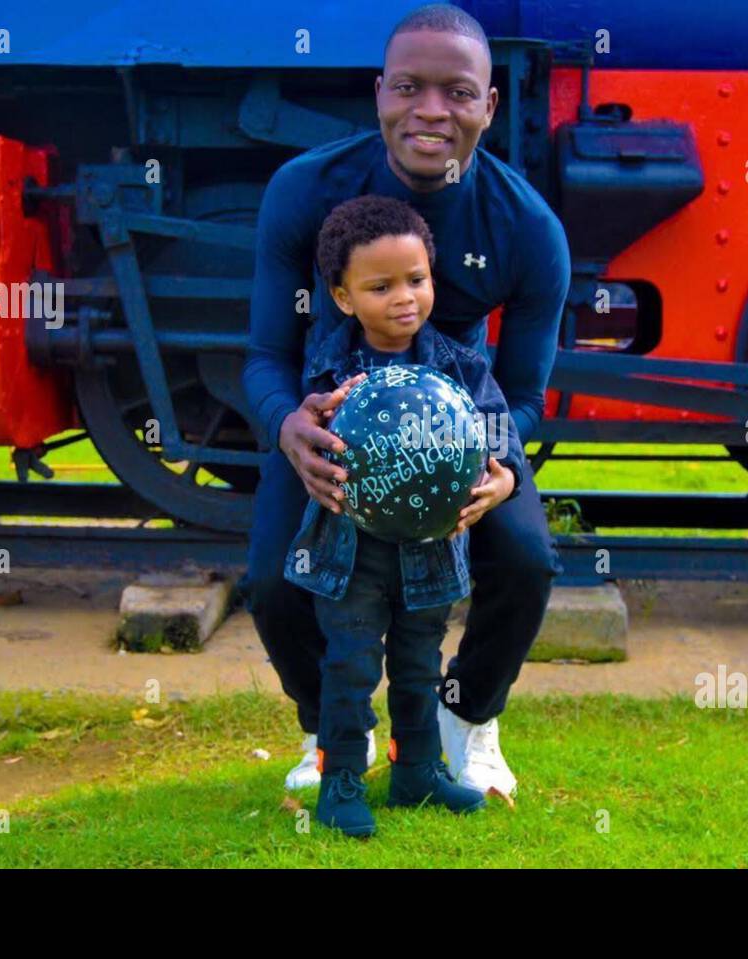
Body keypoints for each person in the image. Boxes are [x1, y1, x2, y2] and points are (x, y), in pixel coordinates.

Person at [242, 3, 570, 797]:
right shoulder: (302, 191)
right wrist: (290, 426)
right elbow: (262, 357)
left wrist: (500, 467)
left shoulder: (528, 229)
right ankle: (332, 733)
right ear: (378, 92)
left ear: (490, 106)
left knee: (528, 560)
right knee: (272, 580)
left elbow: (524, 395)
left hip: (469, 434)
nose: (431, 111)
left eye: (458, 92)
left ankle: (466, 718)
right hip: (336, 436)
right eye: (410, 87)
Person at [286, 195, 526, 837]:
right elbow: (310, 438)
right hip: (350, 552)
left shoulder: (462, 367)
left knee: (420, 664)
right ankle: (339, 778)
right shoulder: (331, 370)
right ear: (342, 297)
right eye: (380, 285)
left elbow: (503, 439)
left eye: (416, 280)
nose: (404, 298)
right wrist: (311, 419)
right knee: (351, 663)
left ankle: (418, 768)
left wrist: (502, 480)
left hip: (432, 553)